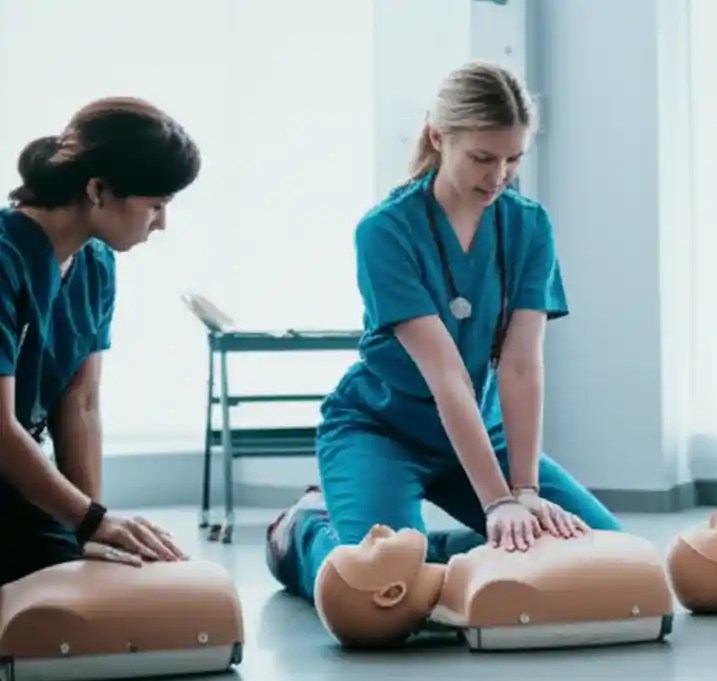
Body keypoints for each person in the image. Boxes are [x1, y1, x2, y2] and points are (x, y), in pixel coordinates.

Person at [266, 61, 621, 603]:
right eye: (481, 158)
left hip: (482, 431)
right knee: (379, 592)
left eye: (513, 159)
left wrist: (521, 491)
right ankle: (307, 528)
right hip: (382, 428)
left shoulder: (529, 226)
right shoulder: (384, 231)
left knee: (605, 555)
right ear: (438, 136)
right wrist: (498, 504)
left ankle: (447, 542)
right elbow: (447, 376)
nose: (498, 176)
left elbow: (522, 364)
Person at [0, 97, 198, 585]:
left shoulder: (96, 264)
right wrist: (90, 520)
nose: (162, 223)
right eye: (156, 205)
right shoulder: (5, 258)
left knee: (96, 583)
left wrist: (87, 532)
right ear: (97, 191)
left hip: (16, 480)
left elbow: (80, 404)